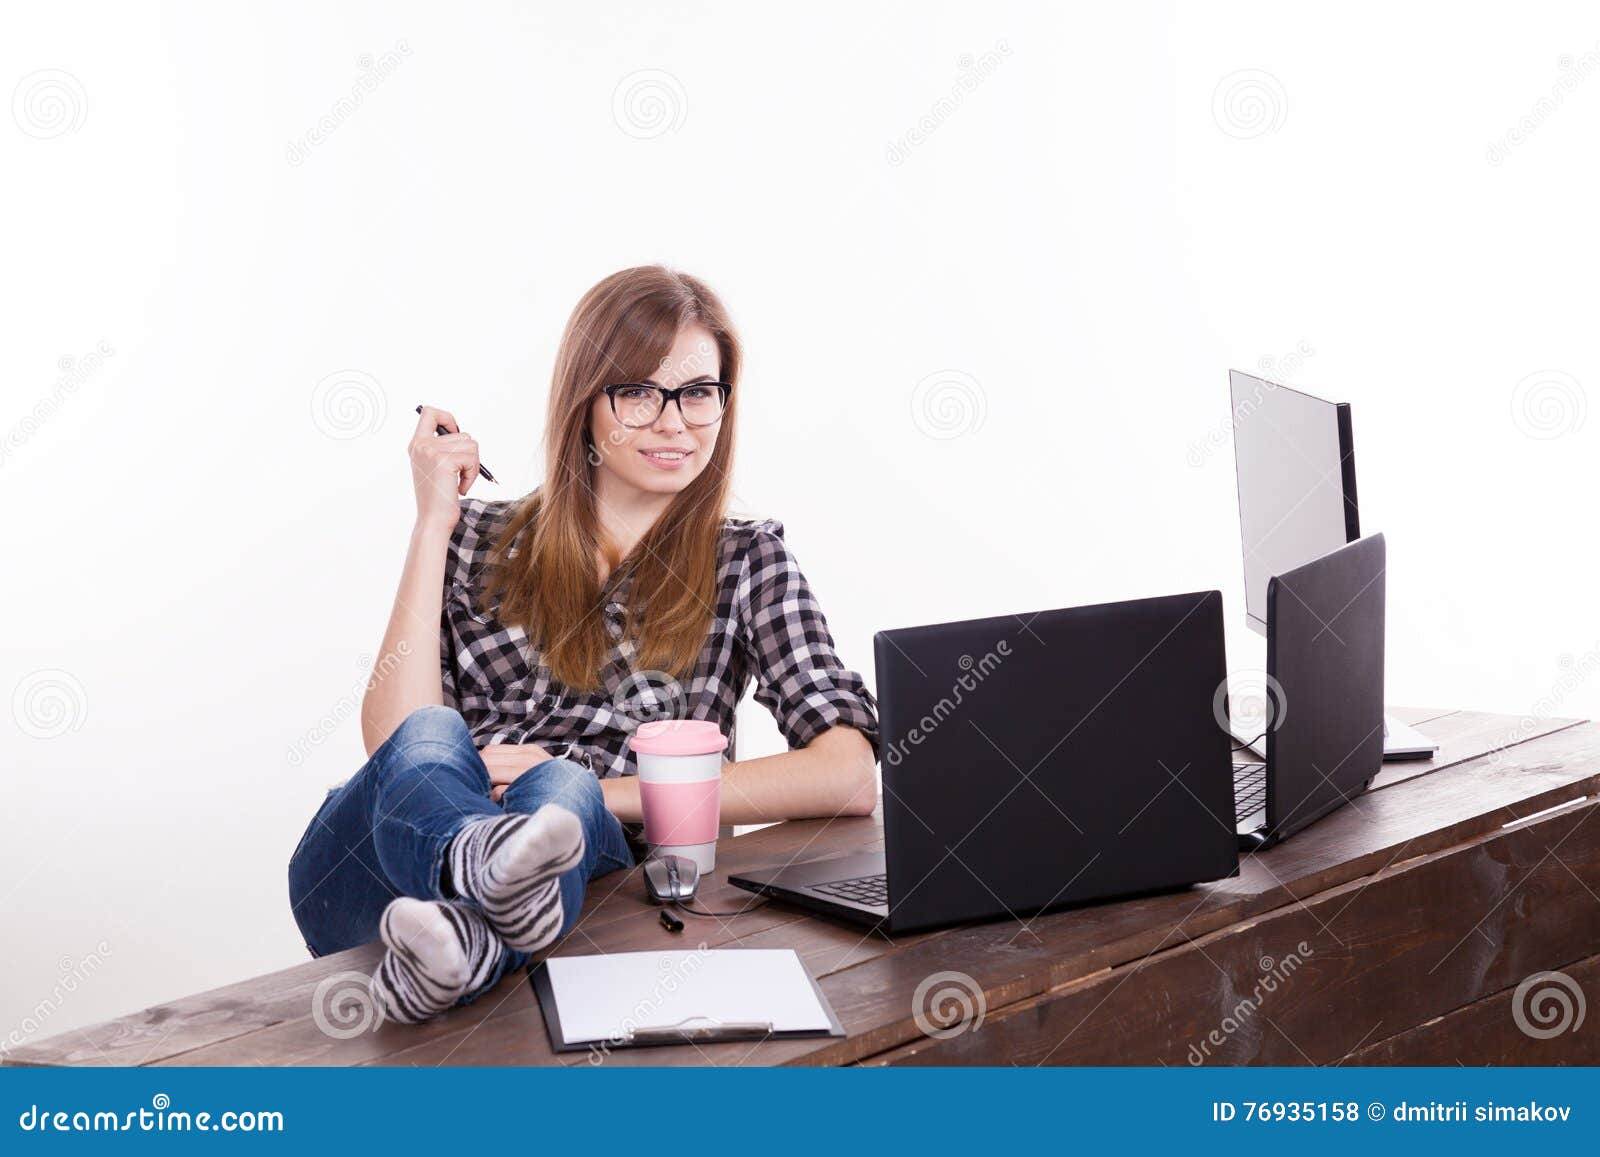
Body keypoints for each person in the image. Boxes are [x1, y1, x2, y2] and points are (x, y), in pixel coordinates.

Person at [287, 265, 881, 1023]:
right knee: (432, 734)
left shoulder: (747, 563)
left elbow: (848, 775)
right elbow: (393, 741)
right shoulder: (474, 540)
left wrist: (602, 793)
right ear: (586, 404)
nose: (674, 421)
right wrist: (432, 522)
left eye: (699, 391)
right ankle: (474, 864)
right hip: (378, 872)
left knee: (559, 791)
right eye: (638, 390)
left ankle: (466, 942)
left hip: (576, 881)